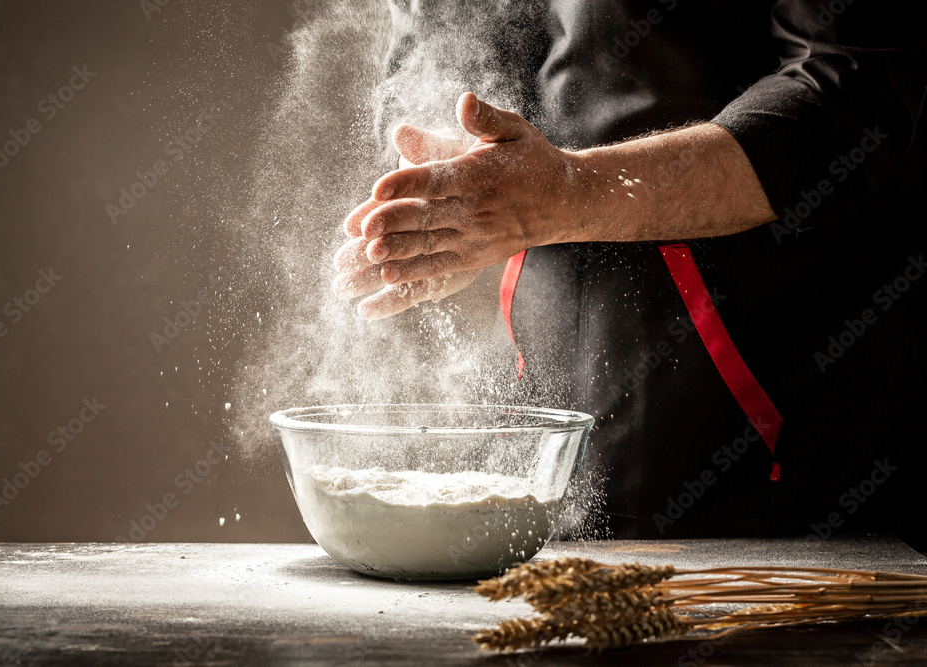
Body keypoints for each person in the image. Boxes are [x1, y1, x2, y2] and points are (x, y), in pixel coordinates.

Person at [332, 1, 926, 549]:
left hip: (784, 427)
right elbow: (437, 50)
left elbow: (855, 85)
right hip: (548, 401)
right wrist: (449, 192)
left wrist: (573, 192)